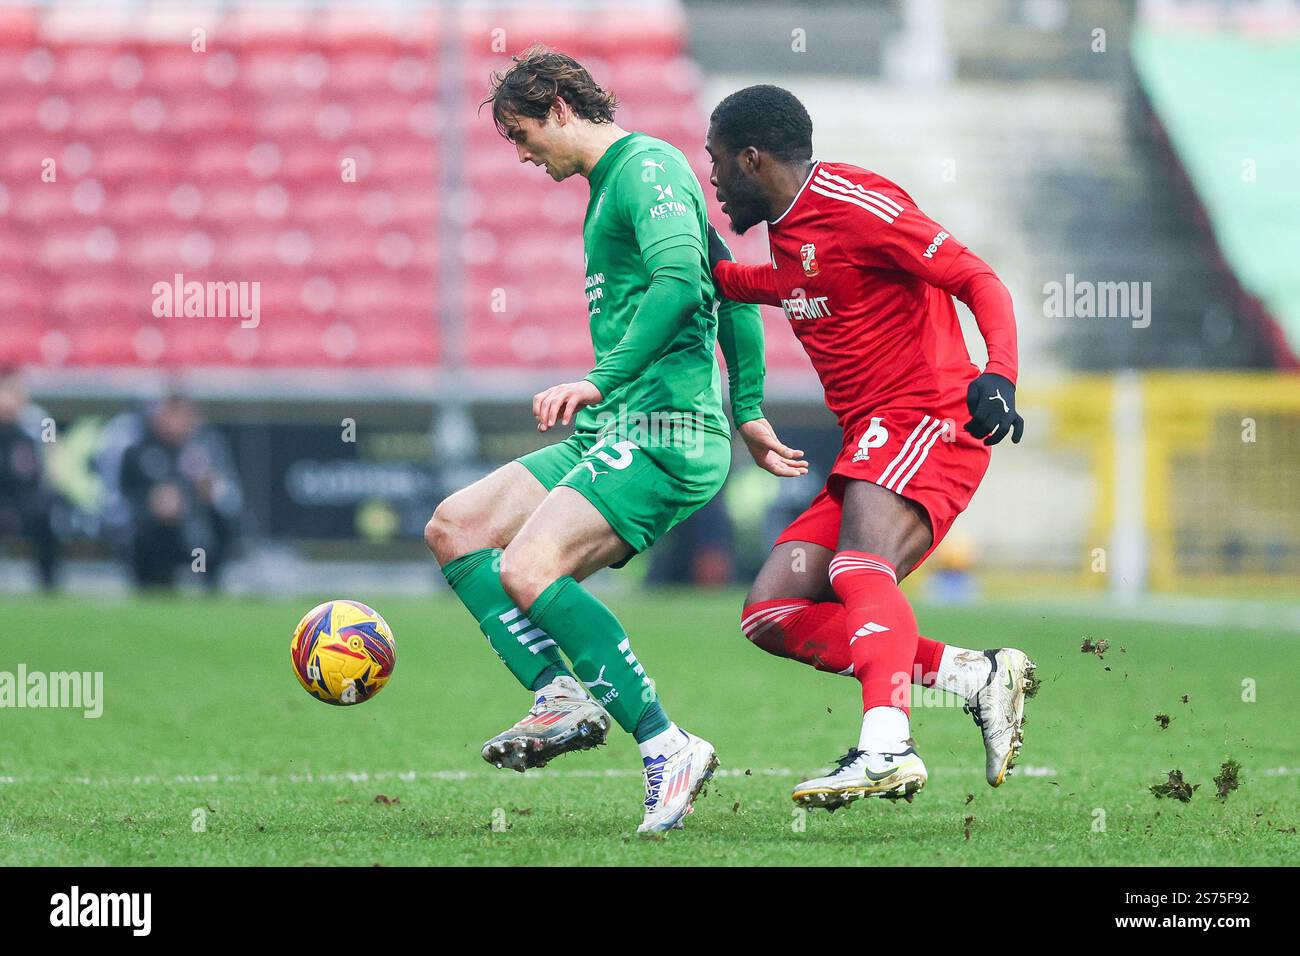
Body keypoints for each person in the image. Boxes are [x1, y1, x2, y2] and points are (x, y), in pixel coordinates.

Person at [423, 47, 778, 834]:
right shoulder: (611, 187)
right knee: (457, 527)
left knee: (527, 566)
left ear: (557, 105)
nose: (520, 154)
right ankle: (562, 694)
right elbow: (733, 286)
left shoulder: (647, 167)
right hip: (620, 426)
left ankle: (666, 746)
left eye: (520, 133)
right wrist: (749, 404)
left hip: (664, 428)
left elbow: (686, 282)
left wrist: (606, 376)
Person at [704, 85, 1036, 810]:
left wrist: (999, 373)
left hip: (930, 416)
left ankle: (886, 745)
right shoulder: (790, 240)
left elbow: (977, 276)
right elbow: (781, 283)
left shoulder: (856, 203)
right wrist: (702, 266)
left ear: (753, 158)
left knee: (860, 564)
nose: (714, 180)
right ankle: (973, 677)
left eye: (718, 163)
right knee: (773, 611)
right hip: (874, 440)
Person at [111, 394, 242, 589]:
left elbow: (231, 497)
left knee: (216, 530)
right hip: (152, 529)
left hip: (195, 527)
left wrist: (209, 492)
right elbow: (123, 497)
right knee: (139, 533)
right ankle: (151, 585)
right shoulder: (139, 451)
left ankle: (208, 583)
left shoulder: (207, 448)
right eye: (173, 415)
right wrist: (152, 502)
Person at [0, 367, 60, 589]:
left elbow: (53, 455)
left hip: (28, 496)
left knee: (46, 516)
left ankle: (48, 583)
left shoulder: (42, 420)